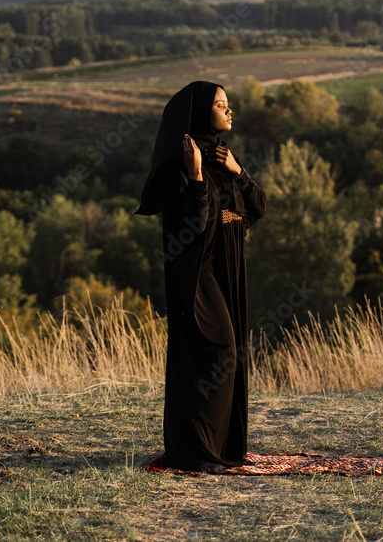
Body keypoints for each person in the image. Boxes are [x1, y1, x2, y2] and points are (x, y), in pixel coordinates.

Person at [136, 80, 267, 473]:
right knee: (218, 352)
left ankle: (220, 447)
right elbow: (193, 229)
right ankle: (195, 451)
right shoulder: (182, 166)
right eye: (221, 104)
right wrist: (195, 181)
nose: (230, 111)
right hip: (199, 273)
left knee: (230, 354)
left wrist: (238, 170)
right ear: (198, 114)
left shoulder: (222, 160)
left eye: (228, 104)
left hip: (229, 272)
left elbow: (257, 208)